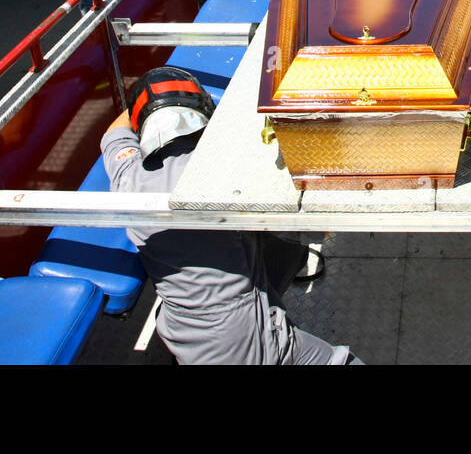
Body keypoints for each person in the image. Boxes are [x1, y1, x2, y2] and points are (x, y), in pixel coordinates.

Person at [103, 66, 360, 364]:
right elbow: (322, 229)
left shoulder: (127, 174)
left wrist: (146, 95)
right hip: (248, 342)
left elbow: (115, 132)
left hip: (182, 333)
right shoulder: (226, 179)